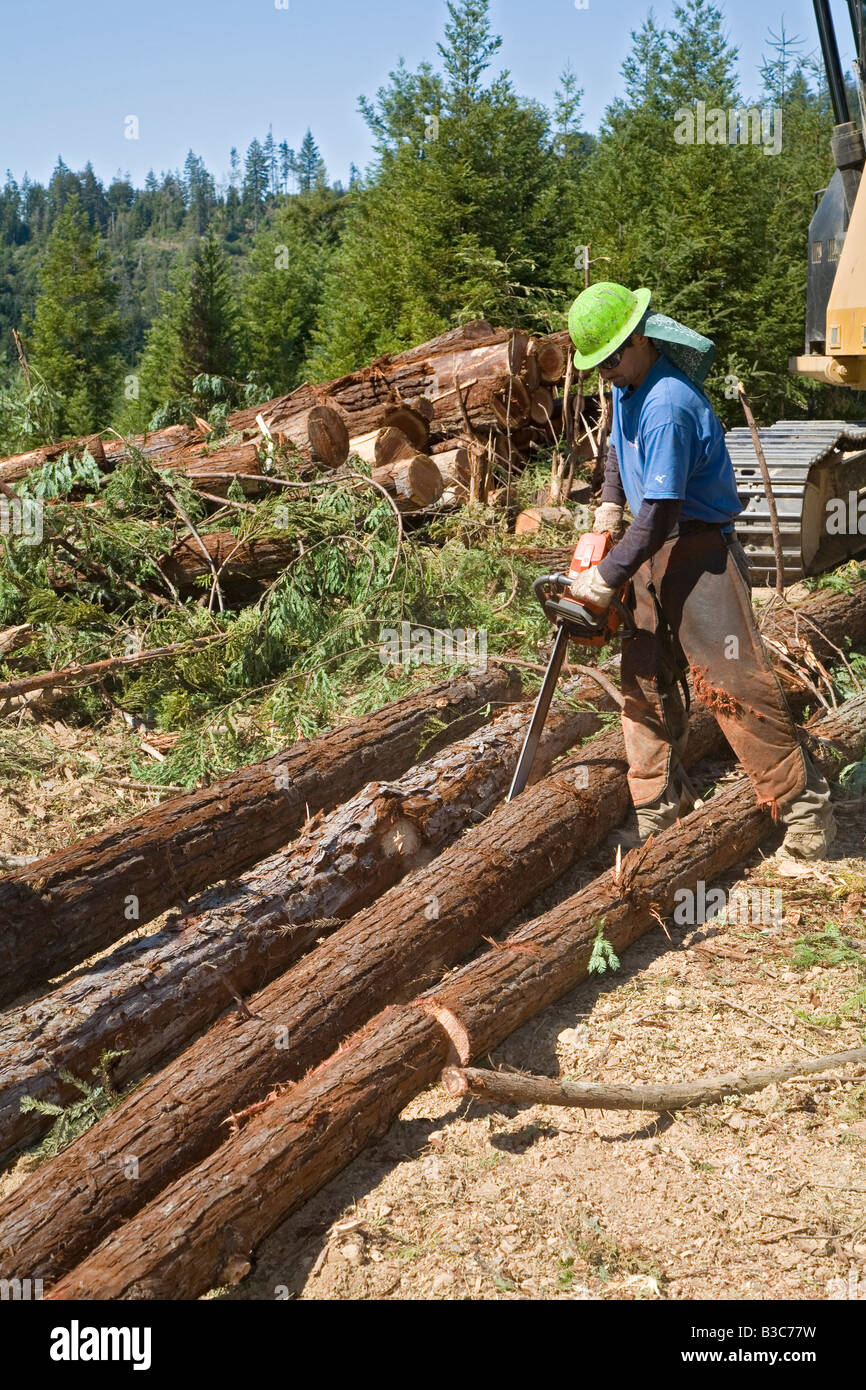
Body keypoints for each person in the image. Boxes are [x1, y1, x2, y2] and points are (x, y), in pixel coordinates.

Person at [565, 281, 836, 860]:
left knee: (735, 686)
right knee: (641, 679)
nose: (607, 371)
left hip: (697, 551)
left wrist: (608, 573)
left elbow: (661, 515)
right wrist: (609, 503)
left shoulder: (668, 403)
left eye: (612, 358)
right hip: (647, 546)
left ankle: (807, 814)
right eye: (599, 364)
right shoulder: (627, 384)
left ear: (638, 338)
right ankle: (661, 812)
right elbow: (615, 445)